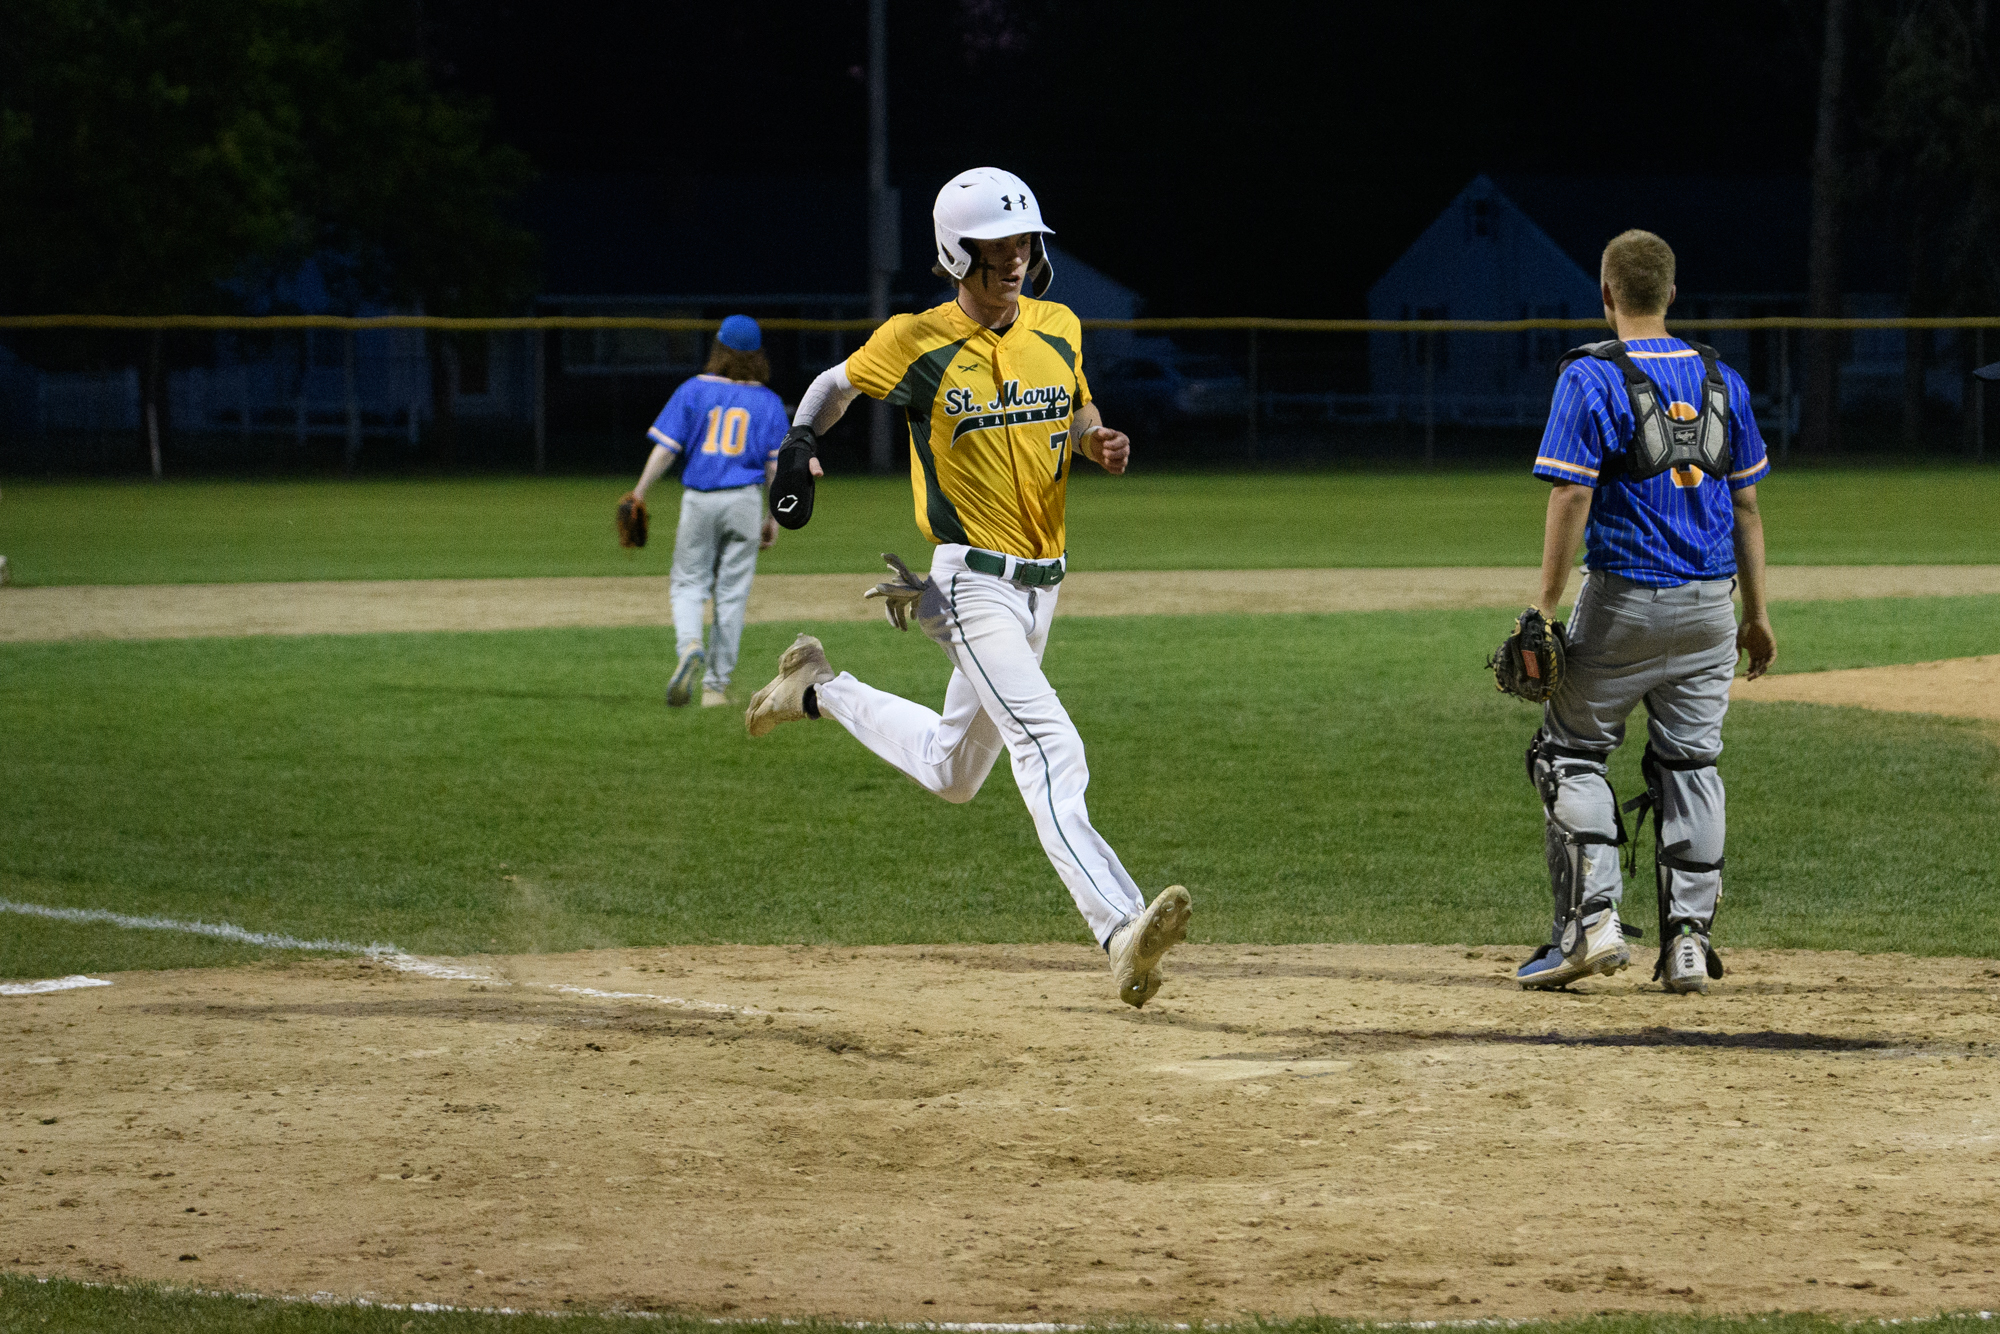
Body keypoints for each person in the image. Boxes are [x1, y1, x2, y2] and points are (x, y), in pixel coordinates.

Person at [742, 166, 1193, 1009]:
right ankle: (1120, 929)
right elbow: (836, 385)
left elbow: (1078, 408)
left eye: (1024, 242)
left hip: (1044, 587)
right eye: (997, 246)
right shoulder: (917, 340)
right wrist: (800, 440)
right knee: (1049, 745)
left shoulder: (1058, 325)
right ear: (958, 253)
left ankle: (816, 689)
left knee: (953, 771)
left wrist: (1093, 440)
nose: (1016, 258)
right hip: (967, 585)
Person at [1515, 228, 1777, 994]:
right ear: (1671, 293)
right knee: (1692, 762)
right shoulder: (1723, 378)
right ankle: (1689, 941)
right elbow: (1748, 505)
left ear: (1606, 293)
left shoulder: (1591, 375)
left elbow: (1572, 492)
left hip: (1624, 600)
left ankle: (1592, 923)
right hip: (1713, 608)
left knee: (1569, 752)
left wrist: (1543, 607)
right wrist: (1757, 615)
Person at [628, 315, 787, 707]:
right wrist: (773, 517)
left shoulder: (694, 390)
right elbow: (775, 468)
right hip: (745, 501)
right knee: (731, 595)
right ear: (757, 355)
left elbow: (666, 449)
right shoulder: (769, 402)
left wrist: (640, 492)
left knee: (688, 583)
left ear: (719, 349)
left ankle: (690, 644)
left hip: (700, 499)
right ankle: (715, 688)